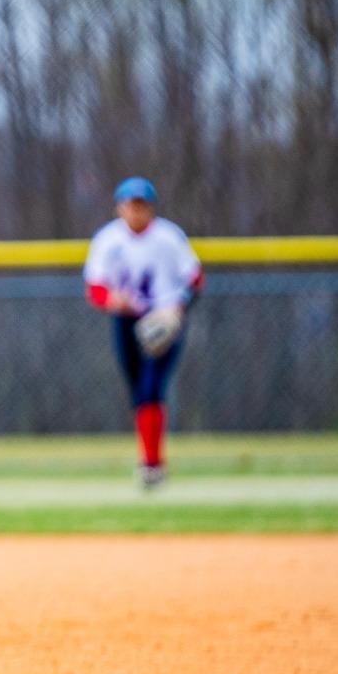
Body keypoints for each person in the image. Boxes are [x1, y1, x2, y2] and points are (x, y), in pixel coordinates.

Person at [83, 177, 203, 488]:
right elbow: (95, 288)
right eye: (131, 205)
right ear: (119, 208)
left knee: (151, 387)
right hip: (125, 320)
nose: (136, 212)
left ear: (150, 208)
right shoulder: (108, 240)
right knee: (139, 391)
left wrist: (177, 309)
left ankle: (151, 464)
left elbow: (194, 279)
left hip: (164, 318)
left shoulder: (168, 237)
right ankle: (150, 460)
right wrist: (112, 299)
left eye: (142, 205)